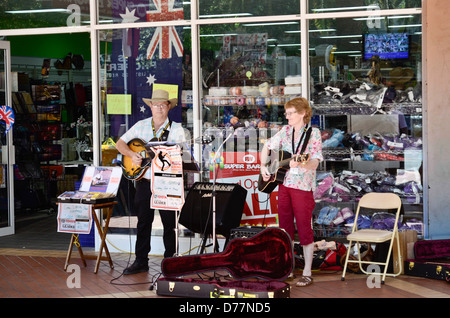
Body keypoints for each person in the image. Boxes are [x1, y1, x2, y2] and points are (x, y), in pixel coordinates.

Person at [116, 89, 185, 275]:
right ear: (150, 107)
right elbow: (119, 143)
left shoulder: (177, 129)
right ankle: (141, 261)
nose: (159, 108)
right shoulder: (140, 125)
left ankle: (170, 261)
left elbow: (181, 155)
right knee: (143, 222)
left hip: (166, 182)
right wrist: (132, 155)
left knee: (169, 223)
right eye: (156, 105)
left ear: (168, 107)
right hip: (145, 182)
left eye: (163, 105)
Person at [260, 97, 323, 287]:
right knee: (284, 226)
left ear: (303, 113)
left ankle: (307, 271)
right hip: (284, 184)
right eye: (286, 113)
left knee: (304, 227)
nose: (287, 117)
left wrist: (303, 162)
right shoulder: (285, 131)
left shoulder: (314, 133)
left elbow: (315, 161)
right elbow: (267, 146)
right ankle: (288, 268)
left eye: (290, 113)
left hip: (303, 186)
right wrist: (263, 166)